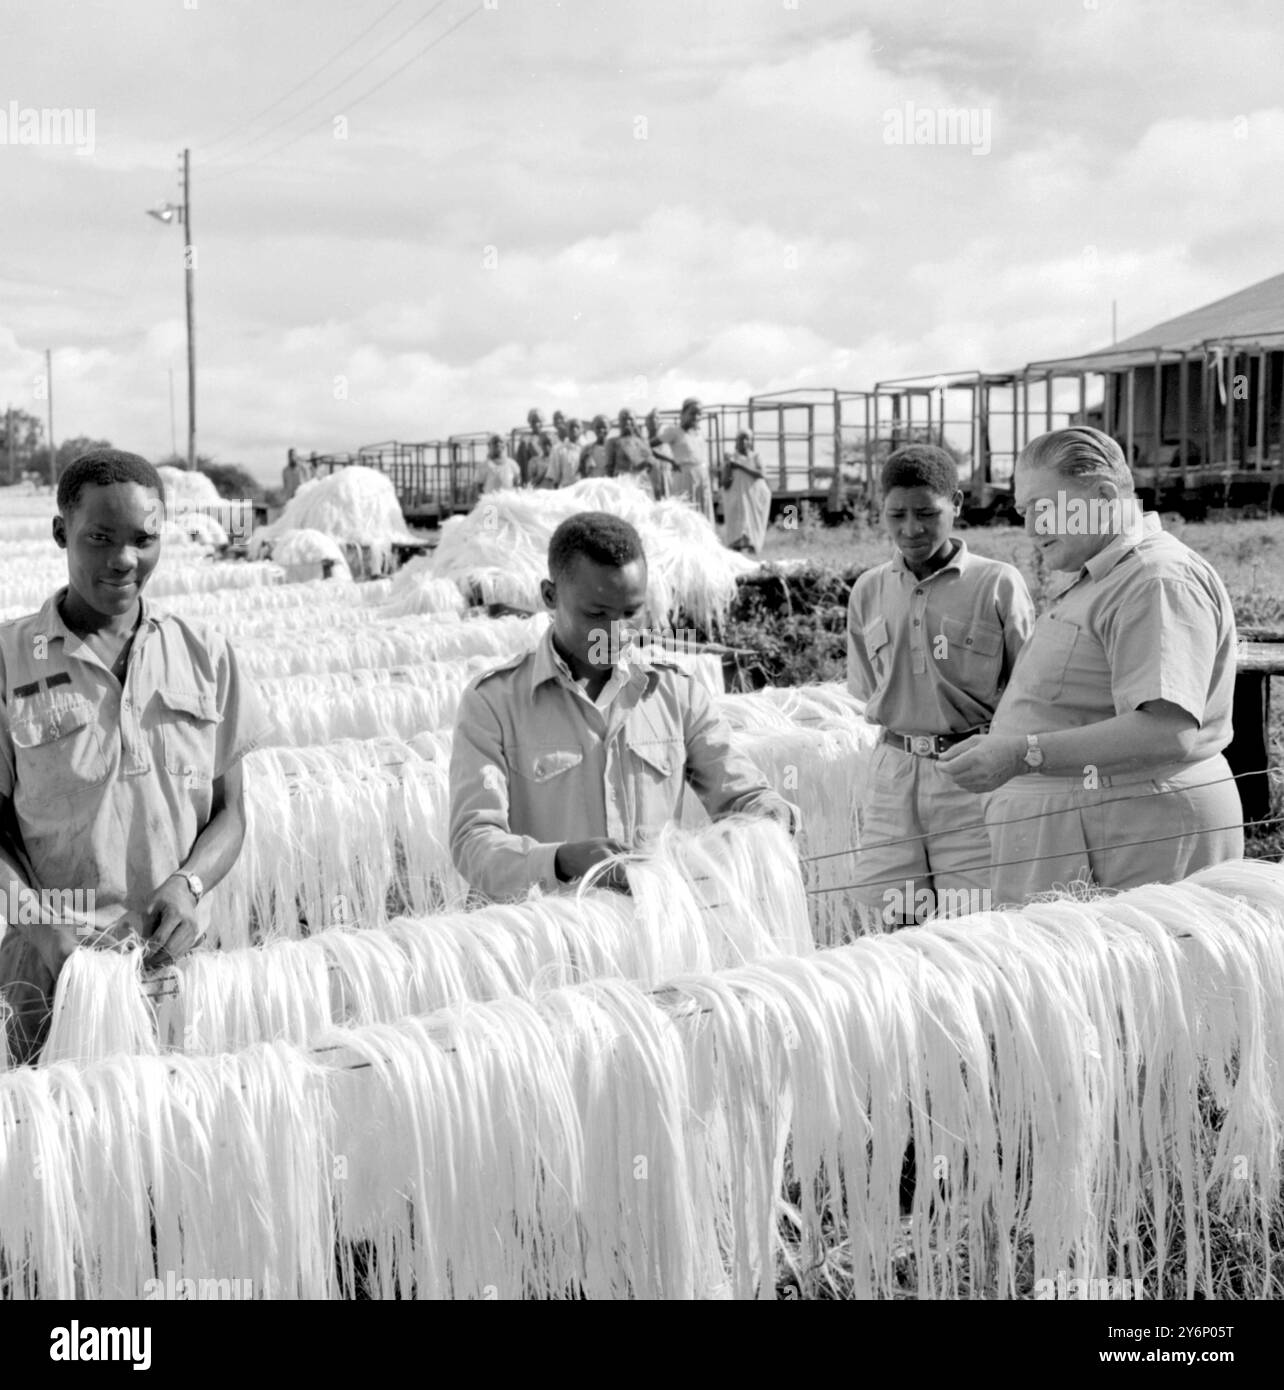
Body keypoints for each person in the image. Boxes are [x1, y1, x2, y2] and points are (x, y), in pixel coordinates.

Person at [0, 449, 273, 1063]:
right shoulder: (9, 660)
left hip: (175, 967)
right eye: (100, 537)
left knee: (171, 1132)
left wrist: (188, 882)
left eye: (144, 539)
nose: (124, 559)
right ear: (60, 532)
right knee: (49, 1133)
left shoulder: (207, 656)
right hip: (45, 976)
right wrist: (42, 927)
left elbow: (231, 813)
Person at [939, 426, 1242, 904]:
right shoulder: (1108, 575)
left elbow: (1167, 730)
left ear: (1102, 496)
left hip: (1131, 841)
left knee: (1142, 976)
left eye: (1041, 509)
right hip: (1092, 838)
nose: (1032, 530)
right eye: (1024, 513)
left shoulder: (1155, 579)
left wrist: (1021, 754)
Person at [448, 512, 798, 900]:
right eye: (596, 614)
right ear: (550, 596)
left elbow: (740, 794)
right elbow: (473, 841)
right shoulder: (493, 703)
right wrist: (559, 861)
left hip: (650, 933)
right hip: (542, 939)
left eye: (630, 614)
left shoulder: (676, 695)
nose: (616, 633)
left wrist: (771, 815)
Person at [846, 445, 1035, 929]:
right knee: (895, 928)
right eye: (896, 515)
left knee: (974, 928)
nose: (911, 529)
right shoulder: (868, 590)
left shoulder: (999, 585)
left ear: (957, 503)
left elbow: (1028, 693)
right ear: (880, 510)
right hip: (892, 775)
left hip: (973, 776)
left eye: (928, 513)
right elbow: (869, 686)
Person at [660, 397, 713, 520]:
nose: (696, 417)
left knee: (703, 513)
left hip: (702, 477)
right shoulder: (674, 432)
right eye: (692, 413)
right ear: (683, 413)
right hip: (685, 477)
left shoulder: (699, 434)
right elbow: (649, 446)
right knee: (686, 514)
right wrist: (670, 460)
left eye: (699, 414)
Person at [721, 429, 772, 555]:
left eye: (747, 438)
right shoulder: (732, 459)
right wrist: (729, 467)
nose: (744, 442)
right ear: (736, 442)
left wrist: (740, 466)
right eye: (741, 438)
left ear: (751, 441)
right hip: (737, 498)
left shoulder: (756, 457)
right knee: (737, 524)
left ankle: (752, 548)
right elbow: (725, 482)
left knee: (752, 524)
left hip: (754, 498)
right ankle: (736, 549)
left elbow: (761, 474)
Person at [605, 409, 656, 487]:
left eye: (630, 419)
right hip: (621, 484)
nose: (627, 422)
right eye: (624, 419)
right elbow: (609, 467)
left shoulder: (643, 441)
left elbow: (650, 464)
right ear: (619, 422)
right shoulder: (613, 442)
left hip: (641, 483)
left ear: (635, 421)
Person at [645, 410, 673, 500]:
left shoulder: (665, 440)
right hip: (650, 477)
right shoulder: (643, 441)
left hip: (665, 476)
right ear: (646, 424)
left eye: (657, 419)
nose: (654, 421)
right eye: (650, 419)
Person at [515, 408, 545, 486]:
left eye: (538, 421)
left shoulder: (550, 438)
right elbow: (521, 462)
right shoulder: (525, 440)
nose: (536, 424)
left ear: (542, 422)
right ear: (530, 423)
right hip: (532, 478)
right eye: (533, 422)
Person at [552, 419, 584, 489]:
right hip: (565, 489)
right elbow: (556, 475)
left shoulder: (585, 448)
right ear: (567, 430)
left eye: (577, 427)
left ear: (582, 430)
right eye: (571, 427)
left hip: (582, 489)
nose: (574, 429)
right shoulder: (559, 449)